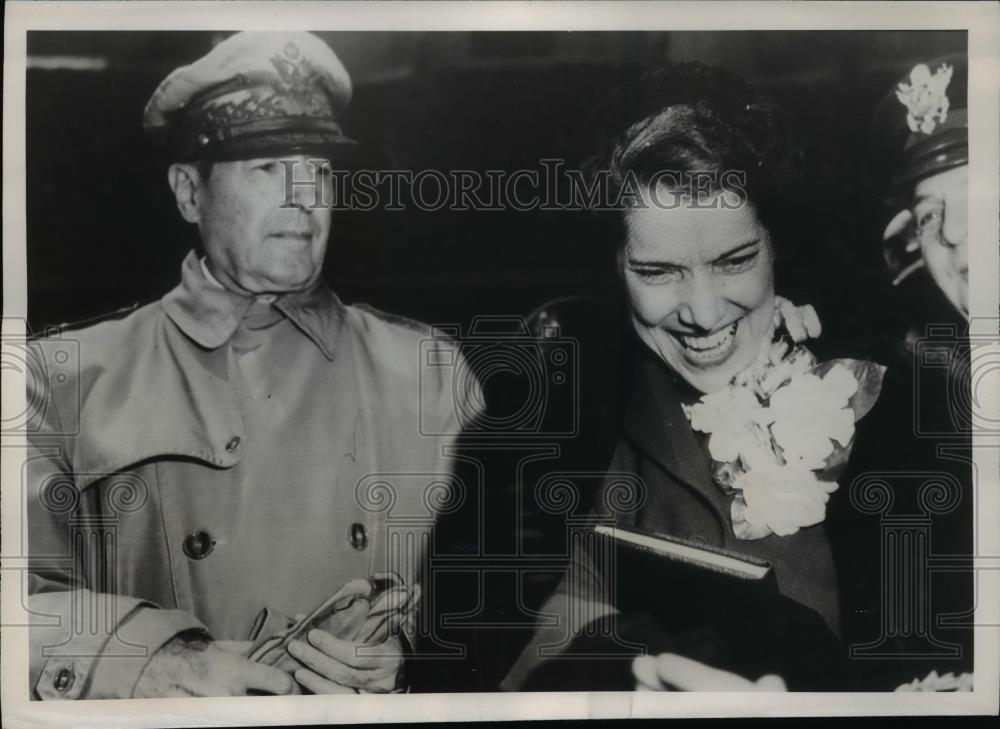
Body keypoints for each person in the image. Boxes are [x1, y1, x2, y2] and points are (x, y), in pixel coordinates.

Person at [26, 31, 480, 699]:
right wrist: (149, 658)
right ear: (188, 191)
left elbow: (520, 590)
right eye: (267, 166)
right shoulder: (61, 378)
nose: (303, 195)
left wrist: (421, 656)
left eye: (320, 169)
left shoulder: (432, 374)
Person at [500, 62, 901, 692]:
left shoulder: (890, 405)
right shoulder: (587, 434)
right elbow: (543, 641)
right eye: (658, 273)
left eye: (735, 260)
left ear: (777, 247)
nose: (705, 314)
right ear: (614, 270)